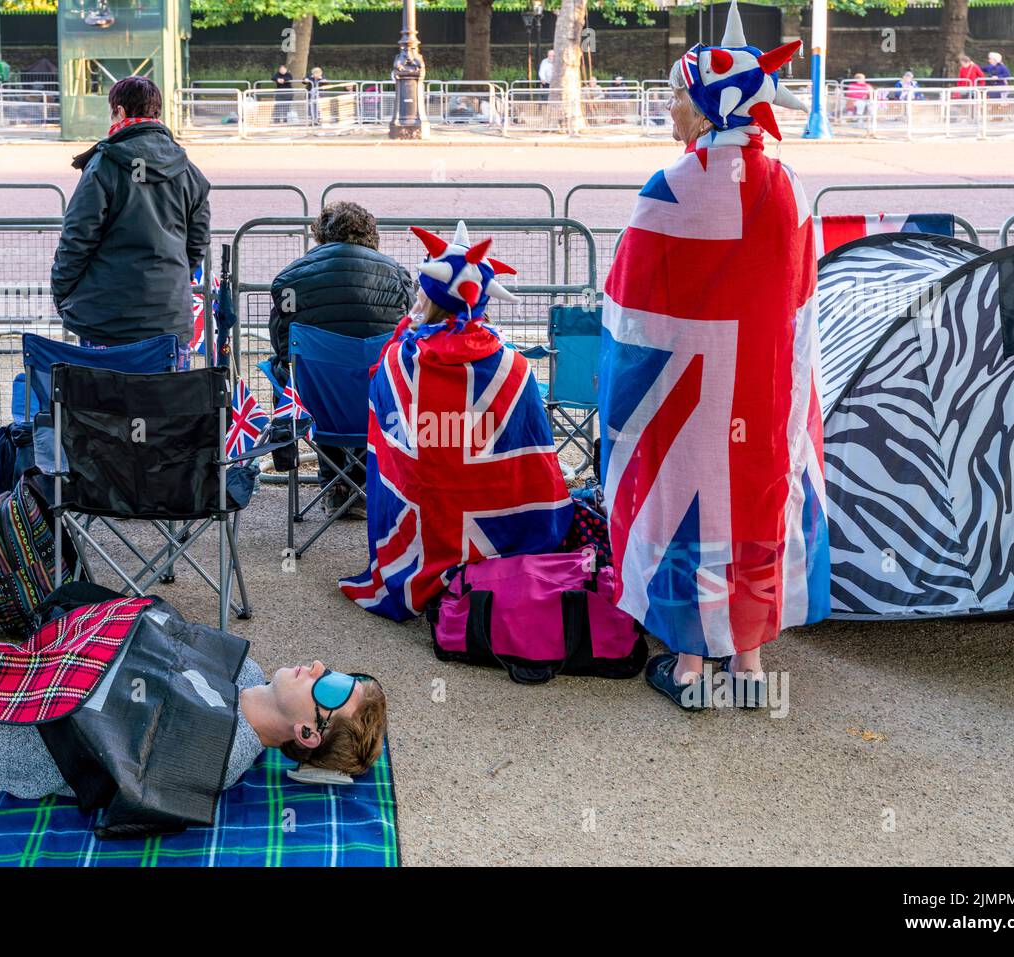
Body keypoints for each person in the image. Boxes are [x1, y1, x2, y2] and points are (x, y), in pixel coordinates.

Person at [597, 0, 829, 711]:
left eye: (675, 95)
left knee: (684, 517)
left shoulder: (668, 189)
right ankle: (751, 667)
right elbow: (802, 305)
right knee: (754, 513)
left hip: (686, 400)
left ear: (704, 105)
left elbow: (626, 313)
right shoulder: (788, 188)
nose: (668, 108)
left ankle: (692, 668)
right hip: (761, 397)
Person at [0, 603, 387, 834]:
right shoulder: (246, 671)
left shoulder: (219, 756)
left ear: (308, 732)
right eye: (334, 666)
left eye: (331, 684)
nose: (317, 664)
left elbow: (126, 793)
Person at [339, 222, 573, 621]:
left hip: (426, 517)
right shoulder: (513, 367)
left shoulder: (399, 362)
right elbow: (534, 454)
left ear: (426, 295)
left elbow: (387, 450)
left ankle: (433, 561)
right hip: (500, 519)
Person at [51, 76, 210, 371]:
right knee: (168, 410)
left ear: (120, 112)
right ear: (157, 113)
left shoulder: (104, 165)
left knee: (105, 411)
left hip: (105, 319)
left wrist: (62, 292)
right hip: (169, 318)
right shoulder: (189, 172)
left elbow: (77, 239)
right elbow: (196, 244)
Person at [268, 202, 414, 518]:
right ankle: (360, 484)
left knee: (311, 374)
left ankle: (335, 485)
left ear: (321, 235)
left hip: (317, 408)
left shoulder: (290, 279)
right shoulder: (398, 277)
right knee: (370, 376)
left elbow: (283, 353)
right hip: (381, 407)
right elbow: (410, 343)